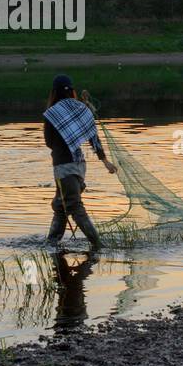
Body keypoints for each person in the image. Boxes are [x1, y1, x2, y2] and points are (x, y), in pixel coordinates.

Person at [42, 74, 116, 250]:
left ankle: (98, 244)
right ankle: (52, 243)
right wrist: (105, 161)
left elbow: (49, 143)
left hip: (63, 168)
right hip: (80, 166)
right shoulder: (82, 109)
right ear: (71, 91)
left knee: (74, 206)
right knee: (61, 205)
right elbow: (93, 137)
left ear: (54, 92)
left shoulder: (51, 113)